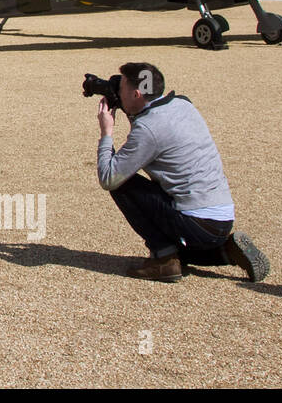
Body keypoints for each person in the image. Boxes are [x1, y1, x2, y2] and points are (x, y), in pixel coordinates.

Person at [96, 62, 269, 283]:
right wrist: (127, 106)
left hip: (196, 223)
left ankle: (163, 259)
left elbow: (109, 177)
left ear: (137, 94)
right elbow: (152, 122)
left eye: (122, 89)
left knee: (122, 184)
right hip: (220, 219)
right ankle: (227, 251)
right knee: (183, 251)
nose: (118, 93)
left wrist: (106, 132)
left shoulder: (149, 129)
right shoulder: (182, 104)